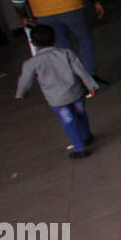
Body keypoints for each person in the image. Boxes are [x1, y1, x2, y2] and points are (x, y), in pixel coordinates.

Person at [15, 23, 98, 158]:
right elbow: (81, 70)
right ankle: (87, 135)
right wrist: (91, 86)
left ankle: (80, 148)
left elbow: (25, 80)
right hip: (76, 93)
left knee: (69, 122)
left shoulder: (31, 63)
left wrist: (21, 93)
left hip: (57, 100)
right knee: (81, 114)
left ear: (33, 42)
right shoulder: (66, 53)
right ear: (56, 37)